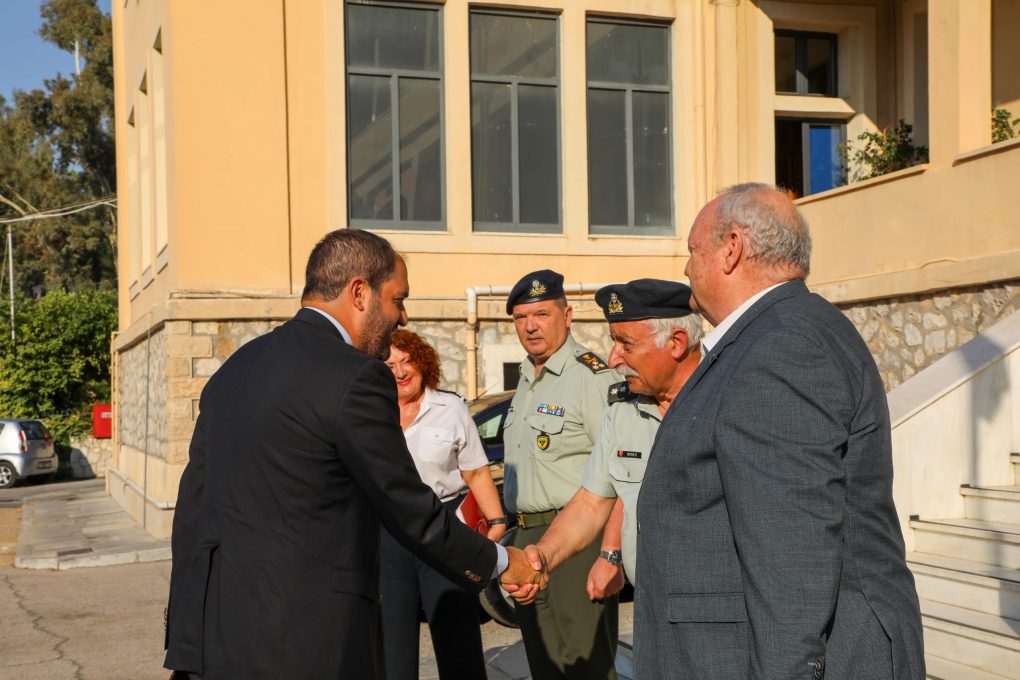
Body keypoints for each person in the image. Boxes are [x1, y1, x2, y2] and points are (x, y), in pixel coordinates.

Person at [164, 229, 542, 680]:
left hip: (215, 641)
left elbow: (192, 511)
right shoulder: (357, 376)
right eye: (397, 300)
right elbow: (407, 506)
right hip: (308, 644)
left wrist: (185, 642)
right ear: (360, 293)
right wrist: (502, 561)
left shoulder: (235, 369)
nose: (402, 317)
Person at [633, 184, 925, 679]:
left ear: (732, 248)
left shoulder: (780, 347)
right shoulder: (776, 334)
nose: (686, 268)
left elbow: (791, 553)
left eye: (693, 250)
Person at [512, 279, 702, 596]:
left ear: (676, 343)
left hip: (715, 606)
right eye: (614, 342)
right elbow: (592, 502)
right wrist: (544, 555)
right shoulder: (622, 409)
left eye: (627, 344)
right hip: (650, 598)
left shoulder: (728, 401)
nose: (614, 359)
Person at [501, 269, 620, 680]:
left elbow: (619, 472)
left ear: (567, 316)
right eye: (520, 318)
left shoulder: (591, 377)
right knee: (544, 663)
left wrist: (610, 553)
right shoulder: (526, 377)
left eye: (542, 314)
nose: (530, 326)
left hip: (578, 540)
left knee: (586, 664)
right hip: (526, 537)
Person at [379, 329, 506, 680]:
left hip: (444, 525)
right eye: (389, 365)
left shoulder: (450, 408)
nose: (400, 371)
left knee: (457, 638)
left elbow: (476, 471)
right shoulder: (371, 410)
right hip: (388, 531)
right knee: (391, 645)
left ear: (423, 363)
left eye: (407, 361)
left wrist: (496, 523)